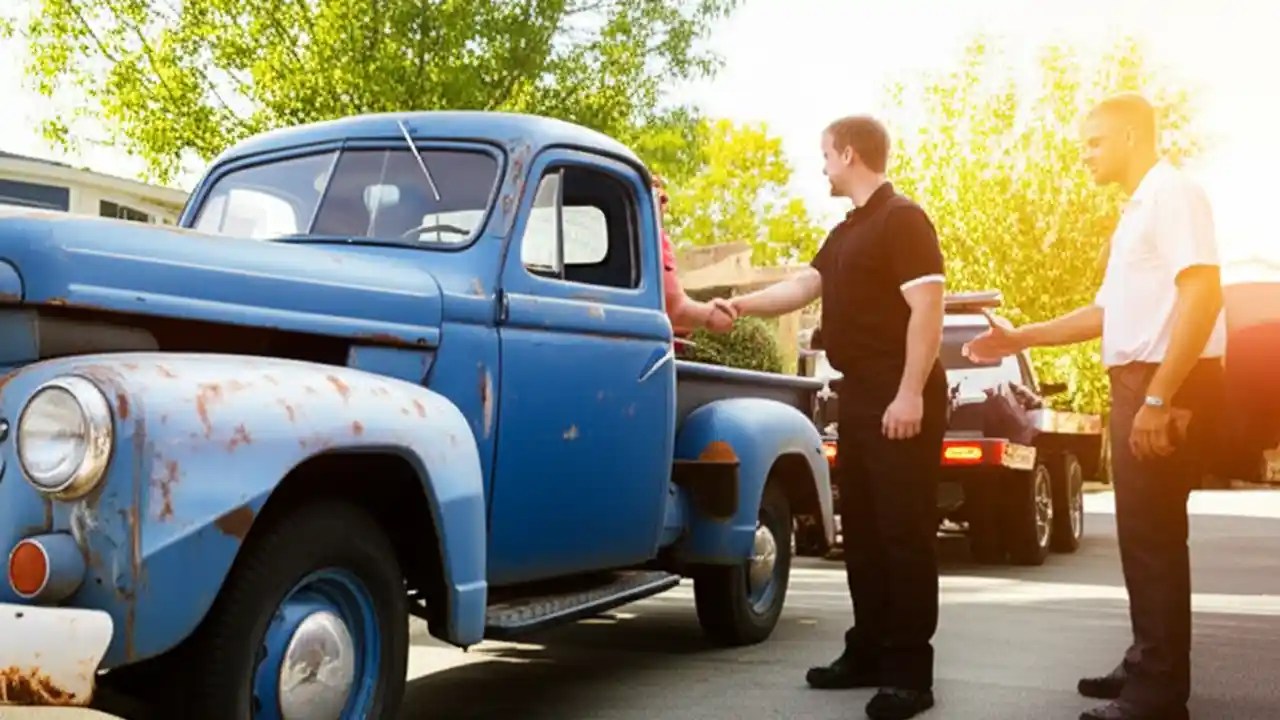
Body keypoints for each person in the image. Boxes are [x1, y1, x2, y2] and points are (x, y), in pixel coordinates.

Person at [963, 92, 1225, 720]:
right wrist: (1018, 338)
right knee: (1141, 536)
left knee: (1156, 538)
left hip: (1166, 384)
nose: (1084, 155)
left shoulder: (1173, 195)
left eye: (1094, 143)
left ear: (1132, 137)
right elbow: (1104, 314)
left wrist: (1160, 396)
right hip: (1140, 381)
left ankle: (1159, 693)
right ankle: (1147, 661)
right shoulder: (1135, 212)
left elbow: (1204, 295)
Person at [716, 115, 948, 720]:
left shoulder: (904, 219)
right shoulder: (848, 232)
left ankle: (909, 674)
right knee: (865, 537)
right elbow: (801, 287)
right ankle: (868, 650)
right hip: (862, 394)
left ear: (848, 153)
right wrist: (737, 307)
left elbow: (928, 310)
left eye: (825, 155)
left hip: (900, 394)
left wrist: (910, 393)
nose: (821, 166)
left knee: (903, 536)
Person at [652, 173, 734, 335]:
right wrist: (711, 314)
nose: (662, 208)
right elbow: (675, 308)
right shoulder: (652, 239)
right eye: (658, 200)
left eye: (662, 201)